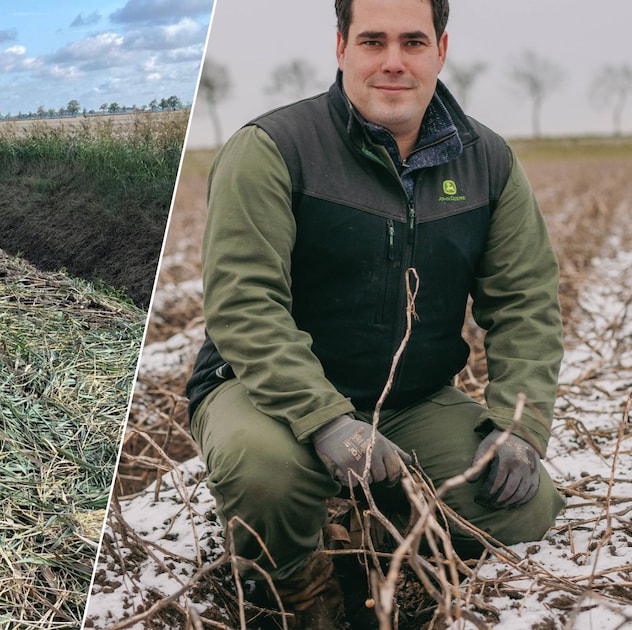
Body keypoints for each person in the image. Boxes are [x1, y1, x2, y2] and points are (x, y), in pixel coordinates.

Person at [184, 0, 566, 626]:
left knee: (521, 507)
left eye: (414, 42)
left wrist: (519, 425)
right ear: (340, 47)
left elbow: (525, 304)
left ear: (442, 50)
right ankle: (295, 596)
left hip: (410, 398)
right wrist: (326, 420)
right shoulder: (272, 149)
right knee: (270, 476)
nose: (393, 62)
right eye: (373, 41)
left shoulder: (488, 163)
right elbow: (244, 307)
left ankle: (381, 549)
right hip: (263, 393)